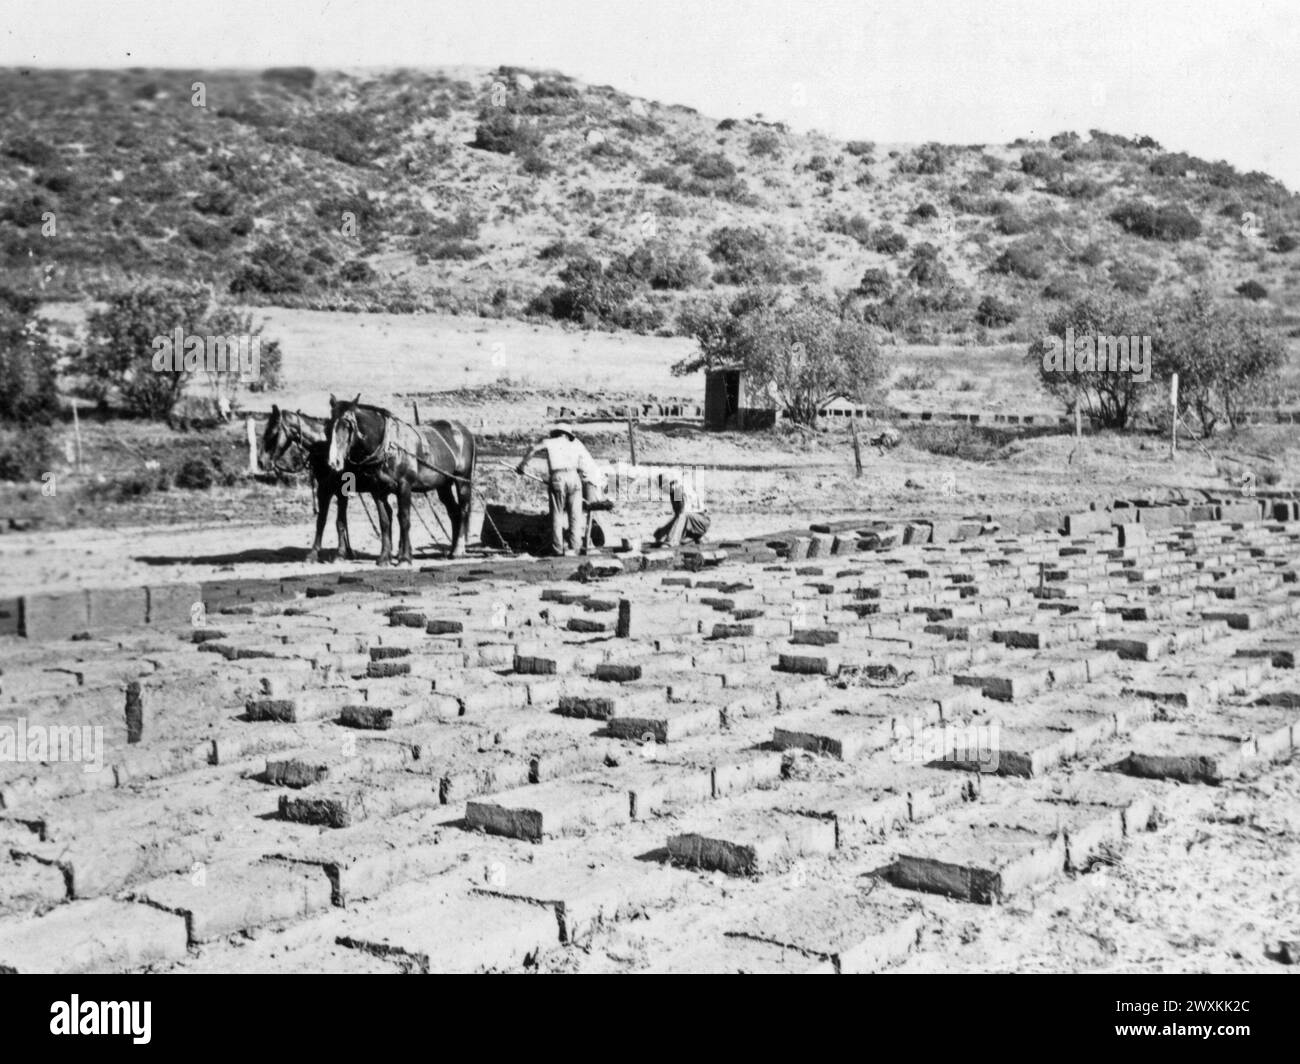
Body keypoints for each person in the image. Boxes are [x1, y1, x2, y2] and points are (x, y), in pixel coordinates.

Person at [517, 423, 600, 556]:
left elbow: (533, 448)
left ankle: (557, 549)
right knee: (575, 516)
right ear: (568, 435)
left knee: (557, 515)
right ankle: (576, 548)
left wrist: (522, 465)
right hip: (574, 477)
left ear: (556, 433)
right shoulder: (575, 444)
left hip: (558, 477)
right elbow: (585, 465)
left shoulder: (549, 442)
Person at [652, 470, 710, 547]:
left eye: (662, 487)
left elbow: (682, 516)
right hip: (692, 524)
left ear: (669, 484)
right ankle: (696, 538)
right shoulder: (674, 492)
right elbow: (678, 517)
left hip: (701, 522)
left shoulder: (678, 490)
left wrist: (664, 532)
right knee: (682, 540)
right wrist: (662, 531)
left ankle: (671, 542)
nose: (661, 489)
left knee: (683, 515)